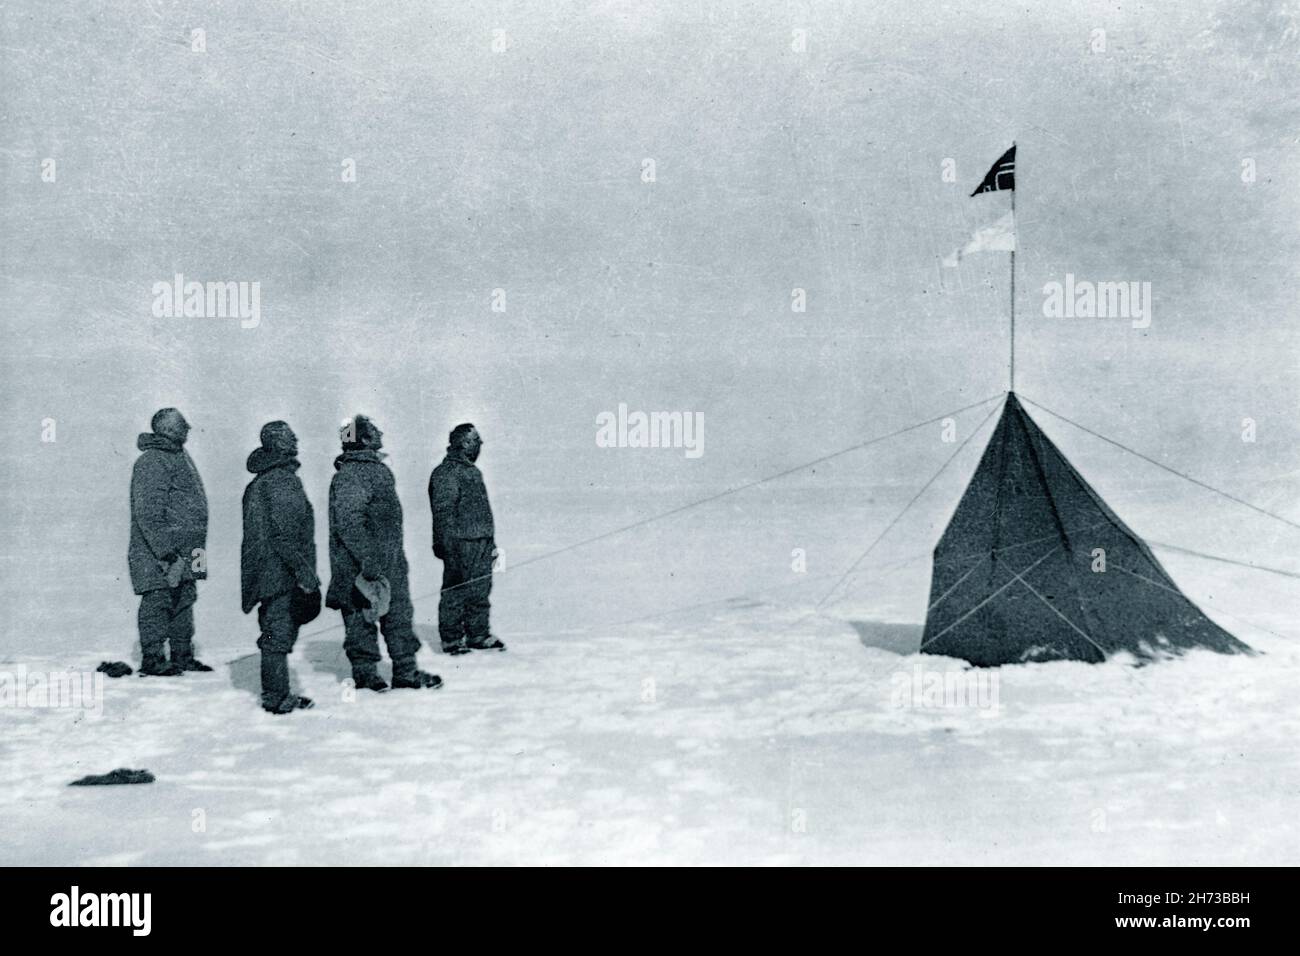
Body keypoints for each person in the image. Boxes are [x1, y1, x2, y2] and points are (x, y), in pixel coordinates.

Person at [326, 415, 441, 691]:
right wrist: (368, 559)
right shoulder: (351, 474)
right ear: (364, 439)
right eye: (375, 430)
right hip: (358, 565)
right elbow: (350, 521)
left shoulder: (377, 470)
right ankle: (366, 675)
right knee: (360, 618)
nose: (381, 433)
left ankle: (406, 672)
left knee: (399, 614)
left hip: (388, 562)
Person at [241, 421, 319, 714]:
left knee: (275, 631)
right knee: (277, 634)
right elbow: (285, 536)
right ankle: (276, 697)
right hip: (281, 574)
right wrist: (305, 574)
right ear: (277, 444)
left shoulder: (261, 481)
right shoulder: (282, 480)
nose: (296, 439)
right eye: (289, 436)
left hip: (267, 573)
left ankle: (278, 692)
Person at [128, 407, 211, 676]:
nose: (188, 427)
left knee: (185, 599)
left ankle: (182, 656)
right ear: (169, 429)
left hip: (190, 550)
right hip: (160, 554)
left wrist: (194, 556)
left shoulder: (180, 456)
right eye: (182, 424)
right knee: (158, 599)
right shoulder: (152, 461)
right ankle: (152, 659)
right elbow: (148, 513)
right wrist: (167, 553)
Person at [428, 424, 505, 655]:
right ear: (465, 443)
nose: (480, 446)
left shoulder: (473, 471)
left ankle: (478, 634)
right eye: (476, 441)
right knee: (456, 589)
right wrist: (445, 543)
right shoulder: (446, 473)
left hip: (481, 540)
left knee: (480, 589)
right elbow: (443, 511)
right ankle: (452, 639)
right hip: (459, 542)